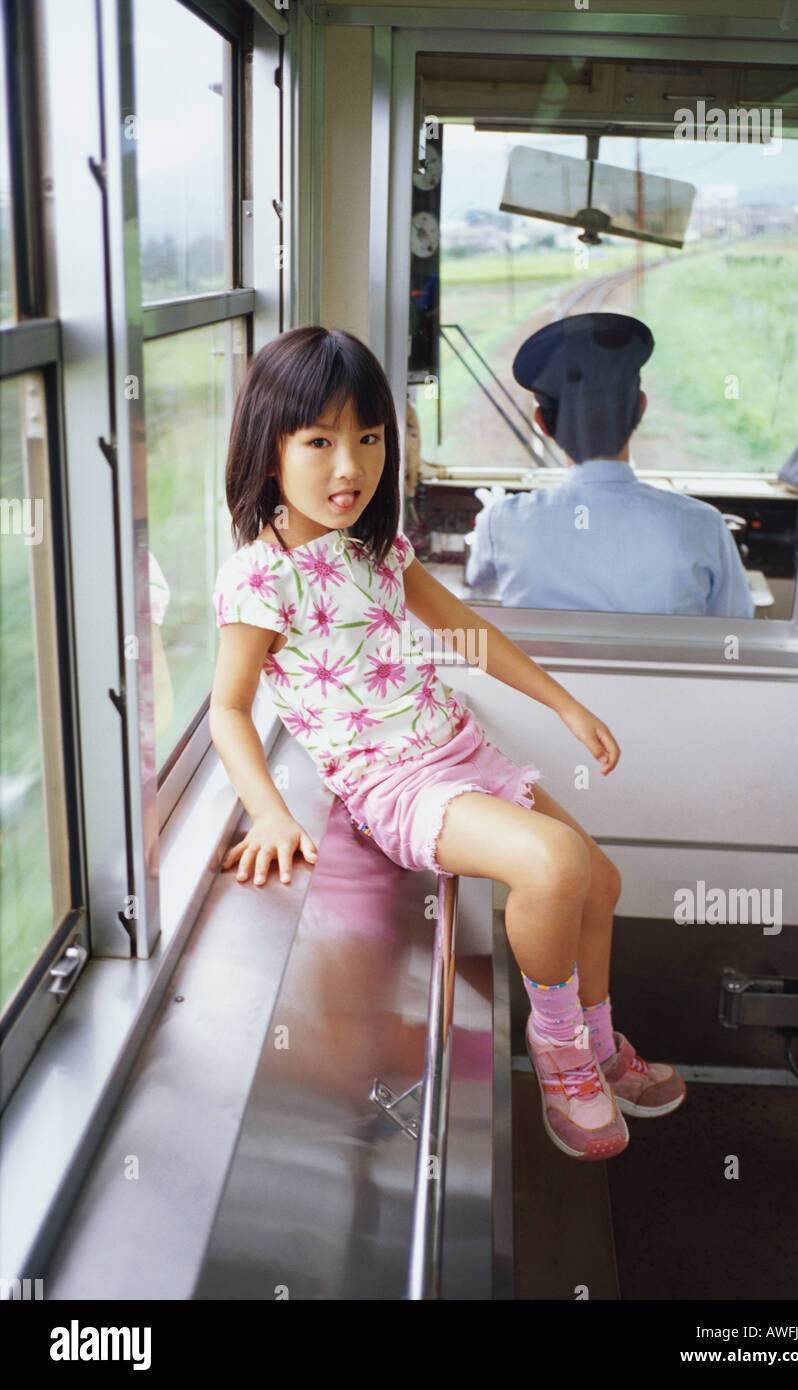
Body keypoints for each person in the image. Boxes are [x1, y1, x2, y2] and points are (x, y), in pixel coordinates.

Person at [210, 325, 685, 1163]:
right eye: (319, 442)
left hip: (458, 752)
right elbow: (229, 710)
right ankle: (561, 1052)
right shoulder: (261, 576)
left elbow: (461, 630)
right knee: (553, 866)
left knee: (599, 883)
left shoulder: (373, 544)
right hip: (395, 787)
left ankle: (603, 1047)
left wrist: (563, 703)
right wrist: (271, 813)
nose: (349, 468)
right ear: (267, 447)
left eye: (367, 438)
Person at [465, 312, 755, 618]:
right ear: (640, 407)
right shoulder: (705, 525)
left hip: (539, 669)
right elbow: (737, 628)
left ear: (543, 423)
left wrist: (490, 518)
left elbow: (474, 577)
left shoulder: (503, 521)